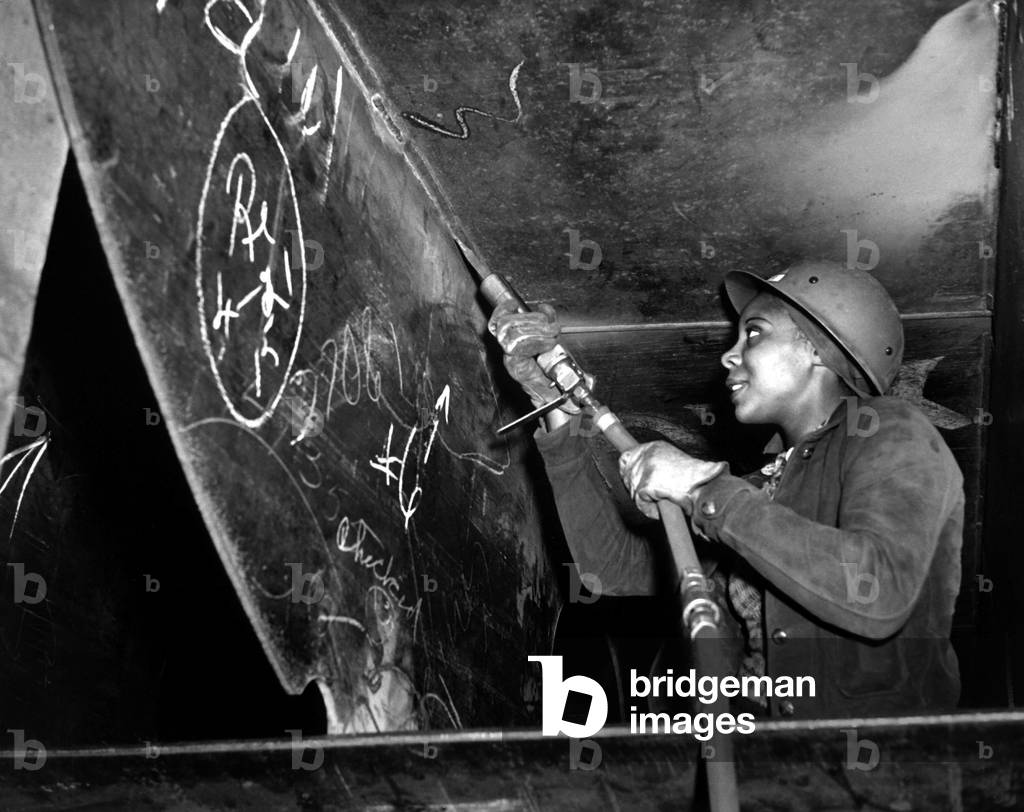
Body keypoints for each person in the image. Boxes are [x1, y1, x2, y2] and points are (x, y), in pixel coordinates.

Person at [489, 260, 964, 718]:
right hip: (751, 765)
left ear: (818, 349)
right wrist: (558, 409)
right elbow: (610, 567)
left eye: (754, 333)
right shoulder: (758, 490)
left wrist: (702, 489)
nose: (728, 355)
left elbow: (876, 590)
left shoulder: (894, 431)